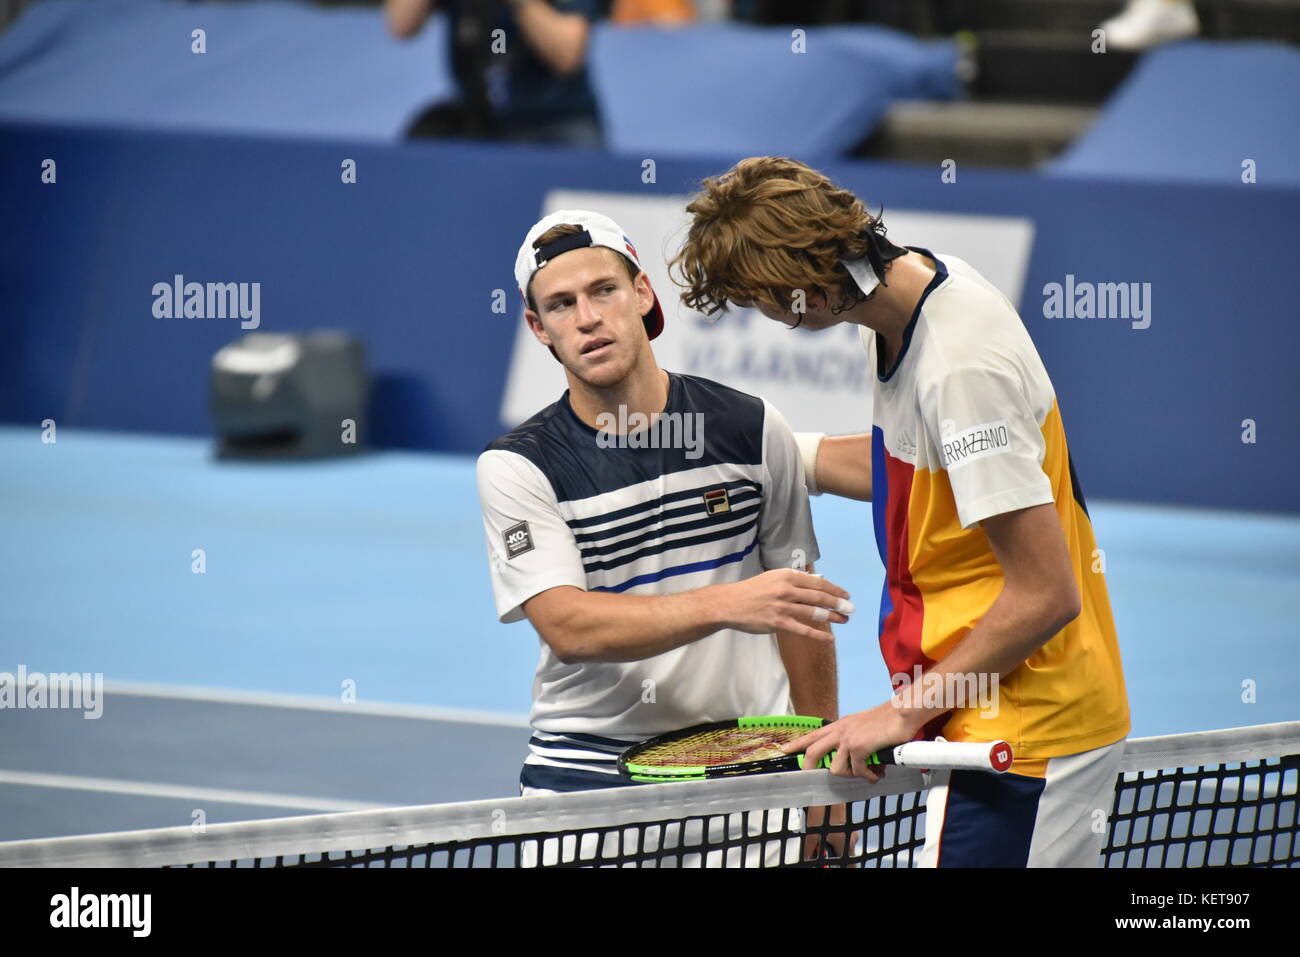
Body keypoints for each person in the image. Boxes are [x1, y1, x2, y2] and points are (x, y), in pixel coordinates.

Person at [668, 156, 1131, 867]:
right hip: (980, 715)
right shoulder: (899, 300)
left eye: (762, 301)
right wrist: (773, 454)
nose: (769, 319)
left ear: (807, 295)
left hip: (1027, 734)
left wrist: (898, 713)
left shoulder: (960, 366)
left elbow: (1047, 591)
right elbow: (918, 473)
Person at [476, 208, 854, 864]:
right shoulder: (519, 466)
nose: (588, 318)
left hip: (747, 774)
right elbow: (569, 626)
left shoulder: (751, 427)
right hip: (588, 785)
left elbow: (800, 618)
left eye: (603, 290)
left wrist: (824, 787)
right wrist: (726, 603)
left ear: (643, 293)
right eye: (560, 305)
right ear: (539, 329)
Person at [385, 0, 606, 147]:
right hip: (476, 118)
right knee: (421, 150)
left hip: (556, 119)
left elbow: (567, 55)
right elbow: (401, 25)